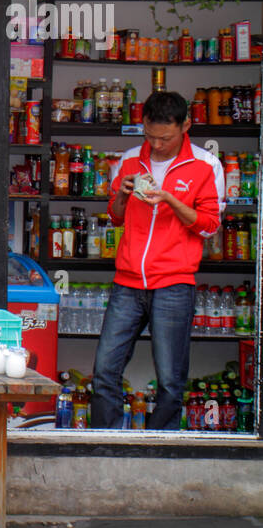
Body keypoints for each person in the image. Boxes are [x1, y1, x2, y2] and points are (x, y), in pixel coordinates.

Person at [92, 92, 223, 430]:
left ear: (186, 126)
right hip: (127, 280)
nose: (157, 144)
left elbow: (209, 225)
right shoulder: (132, 158)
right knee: (105, 370)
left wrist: (169, 200)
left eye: (165, 137)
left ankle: (160, 447)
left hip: (175, 284)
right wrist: (121, 193)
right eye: (150, 135)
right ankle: (105, 443)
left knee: (170, 380)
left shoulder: (205, 165)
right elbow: (115, 216)